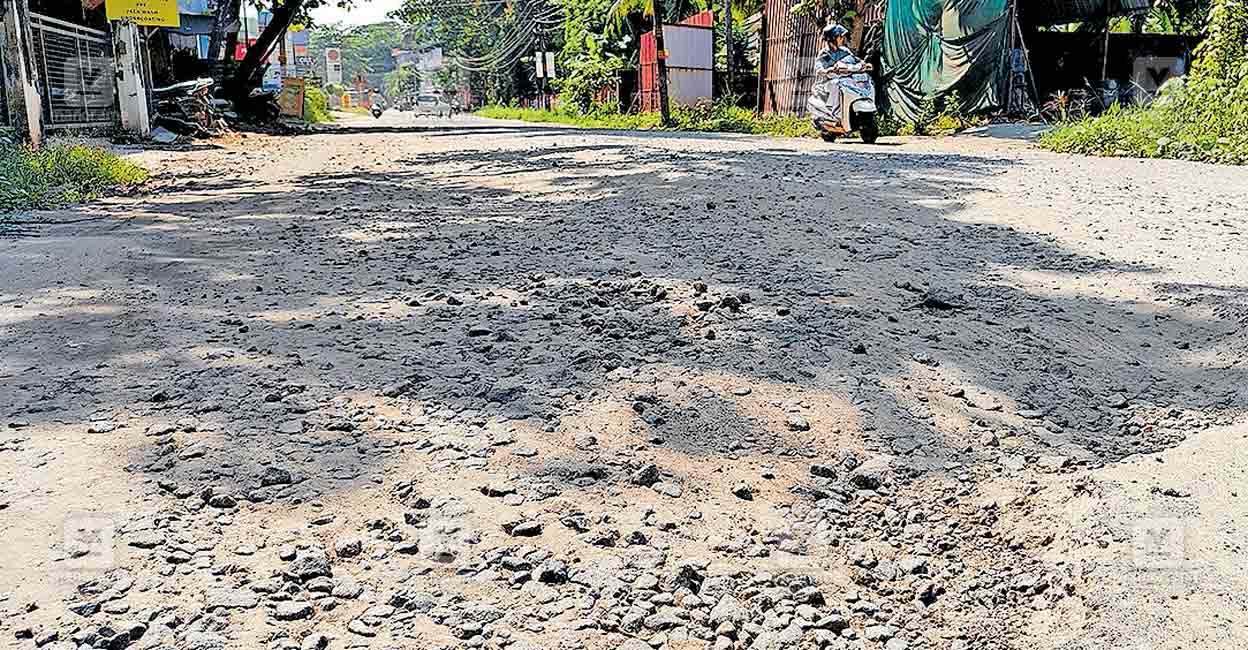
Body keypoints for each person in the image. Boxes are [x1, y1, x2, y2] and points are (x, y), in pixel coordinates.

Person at [812, 23, 872, 123]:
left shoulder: (844, 50)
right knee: (836, 83)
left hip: (844, 78)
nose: (842, 39)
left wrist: (864, 64)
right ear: (833, 38)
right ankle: (835, 112)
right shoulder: (825, 54)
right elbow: (819, 68)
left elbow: (855, 59)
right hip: (827, 82)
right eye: (840, 37)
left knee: (860, 79)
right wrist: (827, 70)